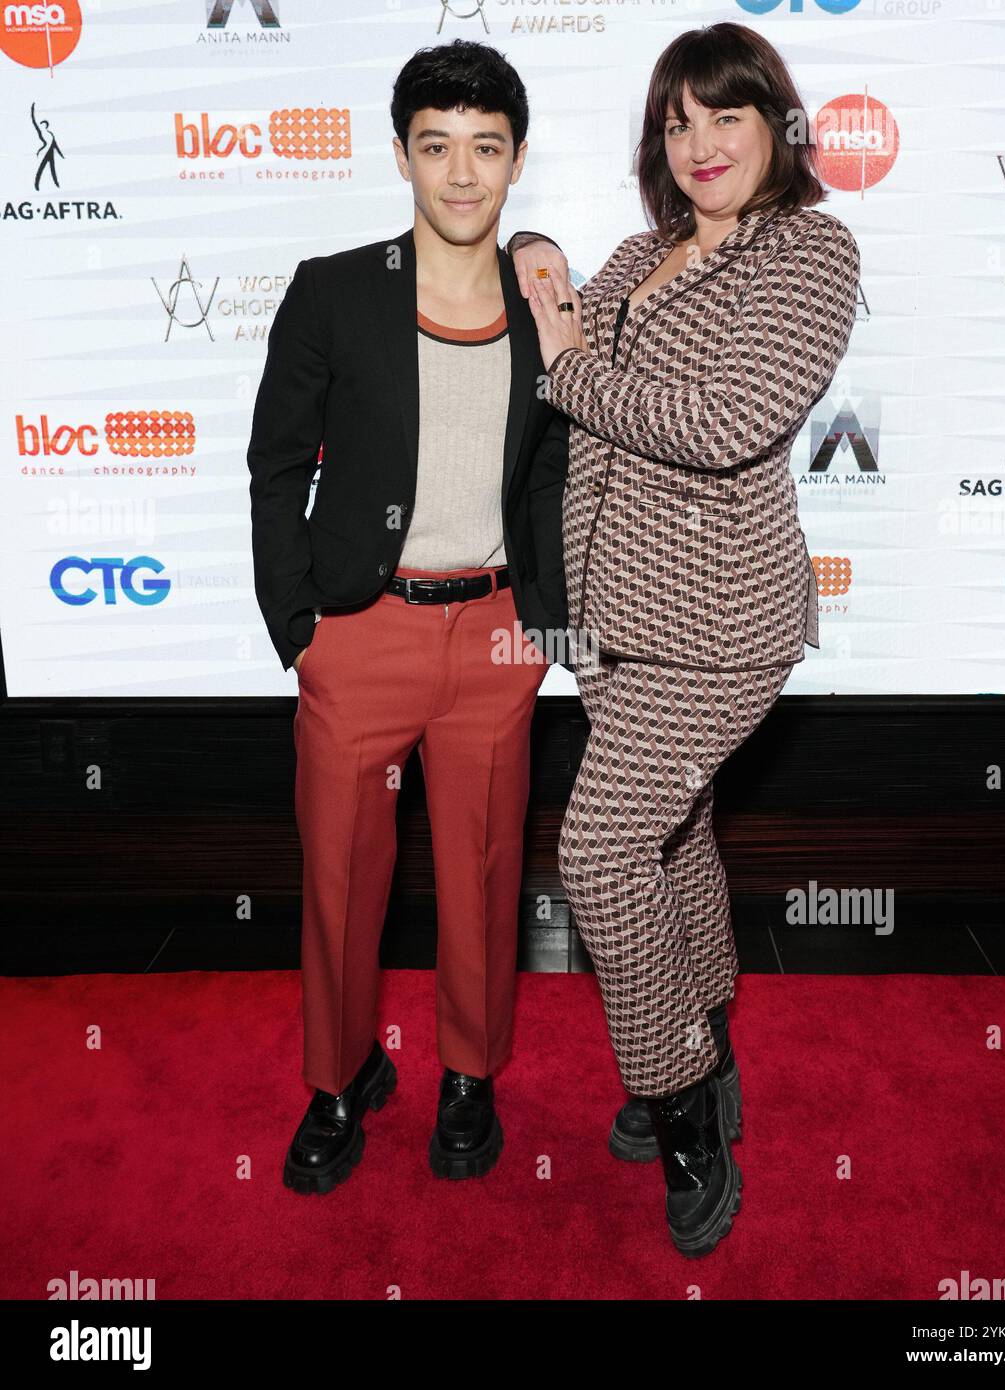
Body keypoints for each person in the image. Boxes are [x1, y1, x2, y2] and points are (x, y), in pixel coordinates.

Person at [503, 21, 861, 1256]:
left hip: (717, 622)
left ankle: (683, 1107)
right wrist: (540, 265)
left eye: (726, 115)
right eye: (676, 121)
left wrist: (567, 365)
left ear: (776, 126)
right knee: (675, 835)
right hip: (610, 618)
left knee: (599, 854)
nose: (700, 143)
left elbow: (722, 423)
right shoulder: (639, 251)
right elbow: (549, 322)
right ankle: (707, 1044)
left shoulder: (809, 250)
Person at [246, 39, 570, 1195]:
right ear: (400, 156)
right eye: (436, 147)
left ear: (516, 157)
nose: (462, 172)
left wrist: (549, 626)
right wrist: (300, 627)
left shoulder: (546, 303)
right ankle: (338, 1081)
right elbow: (277, 464)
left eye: (485, 148)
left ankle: (469, 1077)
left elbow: (548, 476)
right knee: (338, 873)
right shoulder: (333, 288)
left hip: (491, 635)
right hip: (360, 632)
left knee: (485, 874)